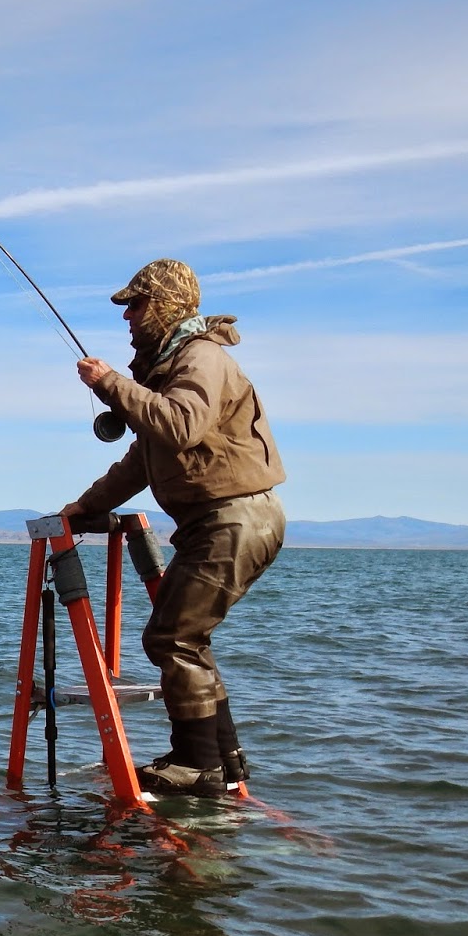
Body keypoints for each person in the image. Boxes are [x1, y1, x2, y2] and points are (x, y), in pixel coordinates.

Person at [60, 258, 286, 799]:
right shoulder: (173, 368)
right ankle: (222, 760)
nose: (128, 318)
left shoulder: (201, 359)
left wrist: (110, 382)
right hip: (221, 520)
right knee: (189, 639)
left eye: (136, 305)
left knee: (172, 637)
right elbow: (142, 462)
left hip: (233, 517)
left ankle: (198, 766)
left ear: (164, 305)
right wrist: (81, 508)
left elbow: (179, 426)